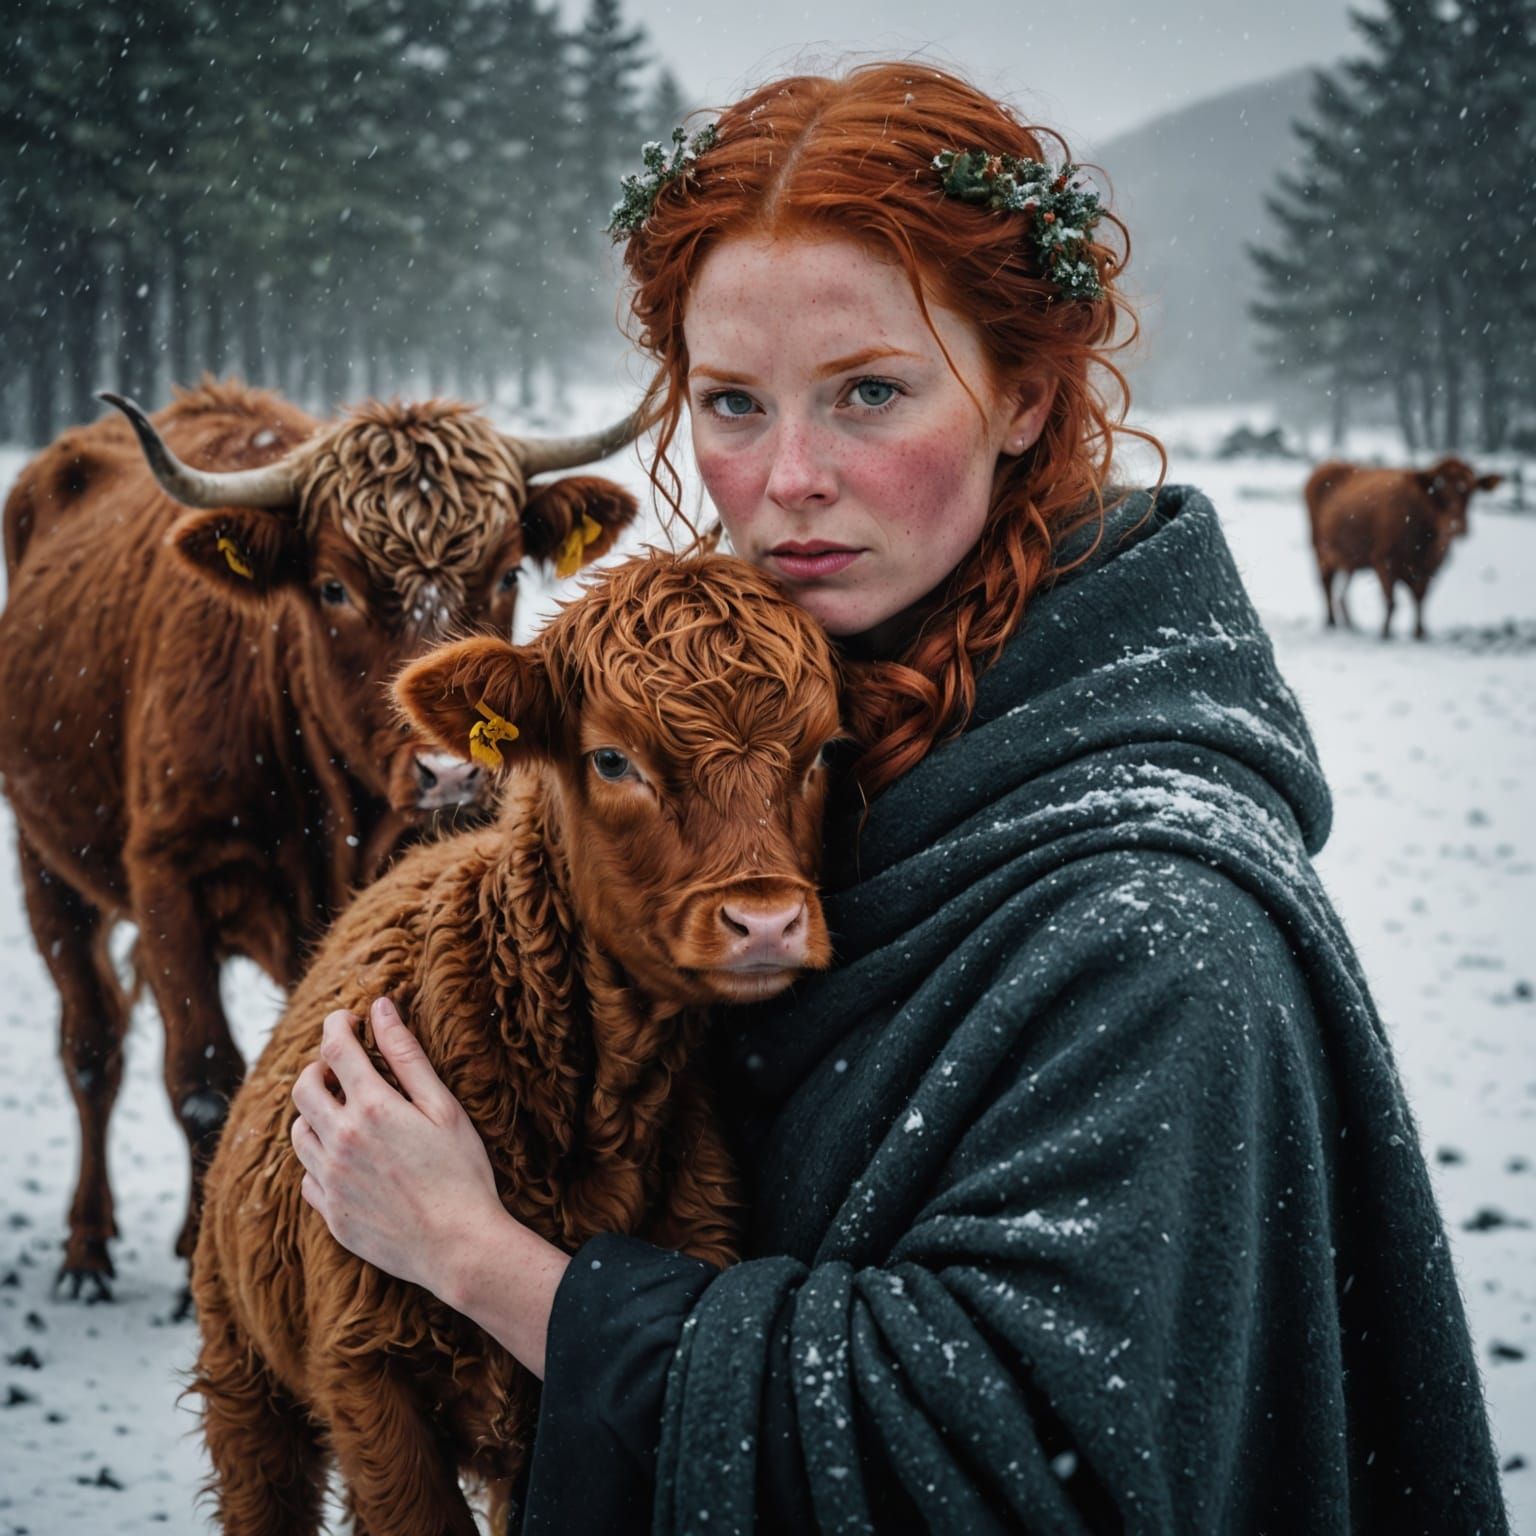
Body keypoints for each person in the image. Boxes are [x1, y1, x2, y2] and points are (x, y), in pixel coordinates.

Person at [289, 62, 1507, 1533]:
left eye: (870, 391)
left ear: (1023, 398)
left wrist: (487, 1266)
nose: (787, 477)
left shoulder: (1161, 933)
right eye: (732, 402)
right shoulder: (766, 751)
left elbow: (1020, 1465)